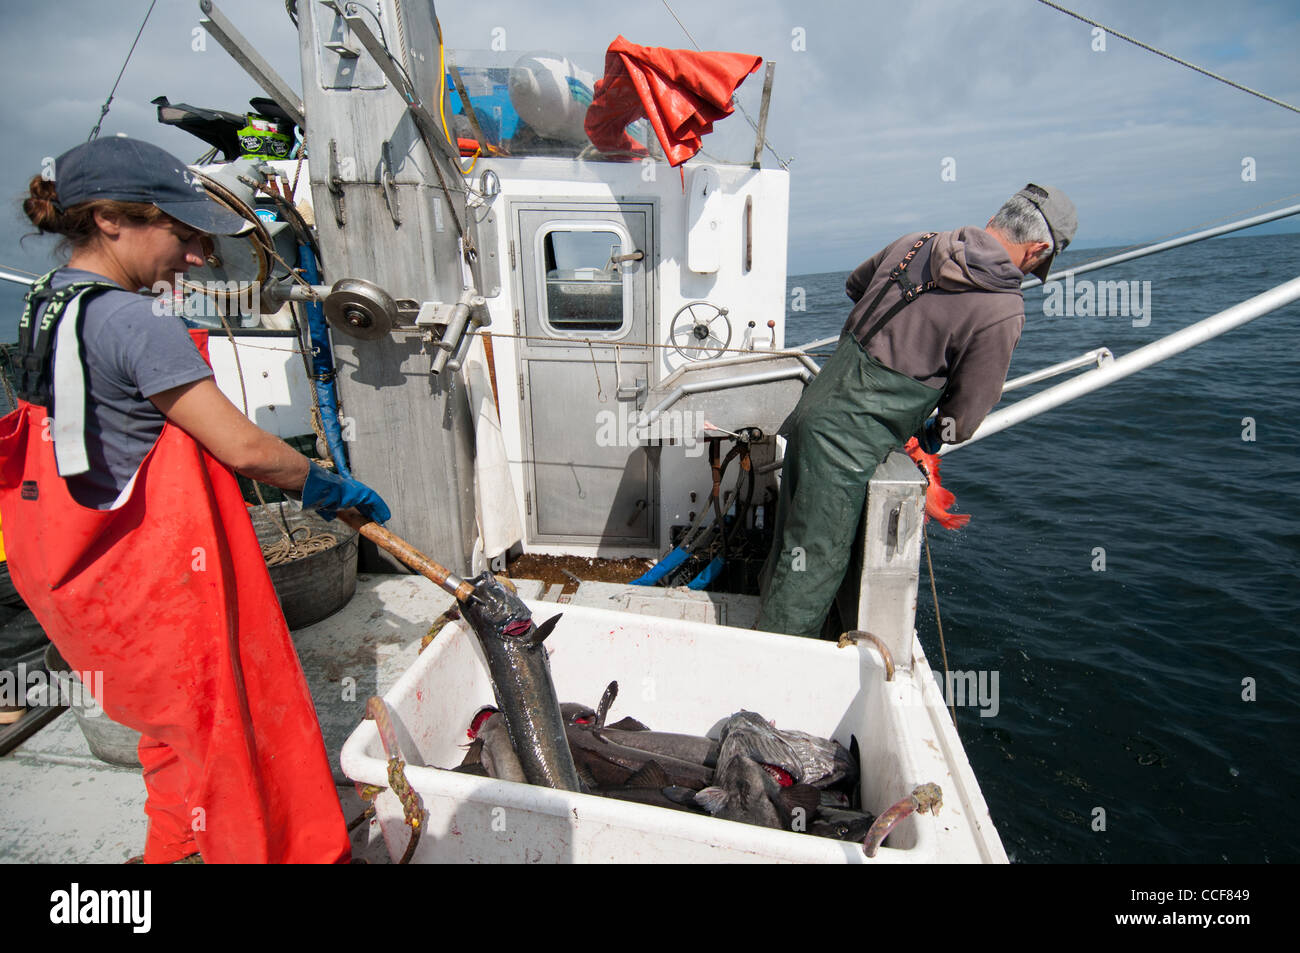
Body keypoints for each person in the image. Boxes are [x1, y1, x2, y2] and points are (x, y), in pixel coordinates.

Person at [0, 136, 390, 862]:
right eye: (180, 233)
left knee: (170, 736)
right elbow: (243, 447)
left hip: (77, 582)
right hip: (154, 589)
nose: (195, 256)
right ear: (111, 220)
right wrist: (324, 484)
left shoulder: (46, 304)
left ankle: (176, 847)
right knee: (232, 748)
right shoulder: (137, 321)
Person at [757, 184, 1078, 639]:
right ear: (1040, 248)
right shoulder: (1003, 310)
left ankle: (763, 632)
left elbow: (854, 286)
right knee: (814, 566)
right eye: (1040, 262)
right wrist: (928, 438)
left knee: (791, 545)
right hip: (848, 448)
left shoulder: (916, 243)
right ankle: (768, 681)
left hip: (812, 412)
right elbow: (964, 416)